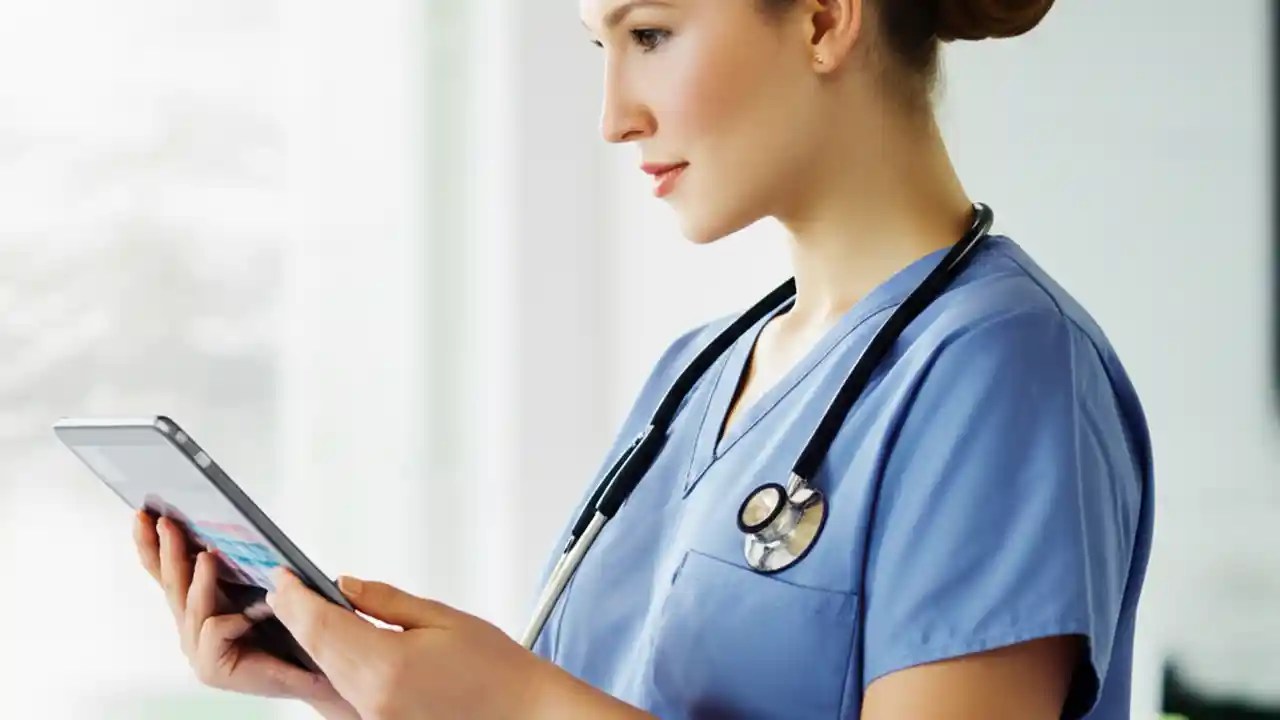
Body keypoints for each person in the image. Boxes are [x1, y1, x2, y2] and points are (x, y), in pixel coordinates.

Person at [132, 0, 1155, 717]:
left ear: (820, 16)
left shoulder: (999, 367)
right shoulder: (697, 372)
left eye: (651, 34)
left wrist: (520, 706)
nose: (614, 115)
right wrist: (354, 689)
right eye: (599, 46)